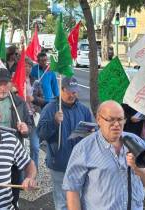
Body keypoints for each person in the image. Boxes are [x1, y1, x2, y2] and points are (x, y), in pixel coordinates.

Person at [63, 100, 145, 210]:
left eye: (120, 119)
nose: (116, 124)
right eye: (110, 120)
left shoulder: (137, 142)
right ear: (99, 119)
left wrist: (139, 168)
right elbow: (72, 189)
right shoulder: (84, 148)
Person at [37, 76, 93, 210]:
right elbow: (40, 134)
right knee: (62, 201)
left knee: (80, 198)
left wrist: (91, 133)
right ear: (62, 90)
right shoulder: (50, 108)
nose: (73, 95)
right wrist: (54, 122)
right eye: (70, 92)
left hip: (80, 163)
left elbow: (90, 134)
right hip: (59, 162)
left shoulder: (84, 110)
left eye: (75, 92)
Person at [0, 68, 34, 209]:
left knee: (14, 181)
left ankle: (13, 203)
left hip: (12, 152)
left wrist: (26, 130)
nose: (3, 87)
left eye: (6, 83)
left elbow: (30, 126)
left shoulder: (19, 102)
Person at [23, 57, 45, 169]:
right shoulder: (15, 80)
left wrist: (34, 99)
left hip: (33, 118)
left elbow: (43, 100)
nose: (27, 68)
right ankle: (19, 172)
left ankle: (33, 171)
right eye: (25, 65)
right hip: (20, 118)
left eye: (30, 66)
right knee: (19, 147)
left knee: (35, 147)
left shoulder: (36, 81)